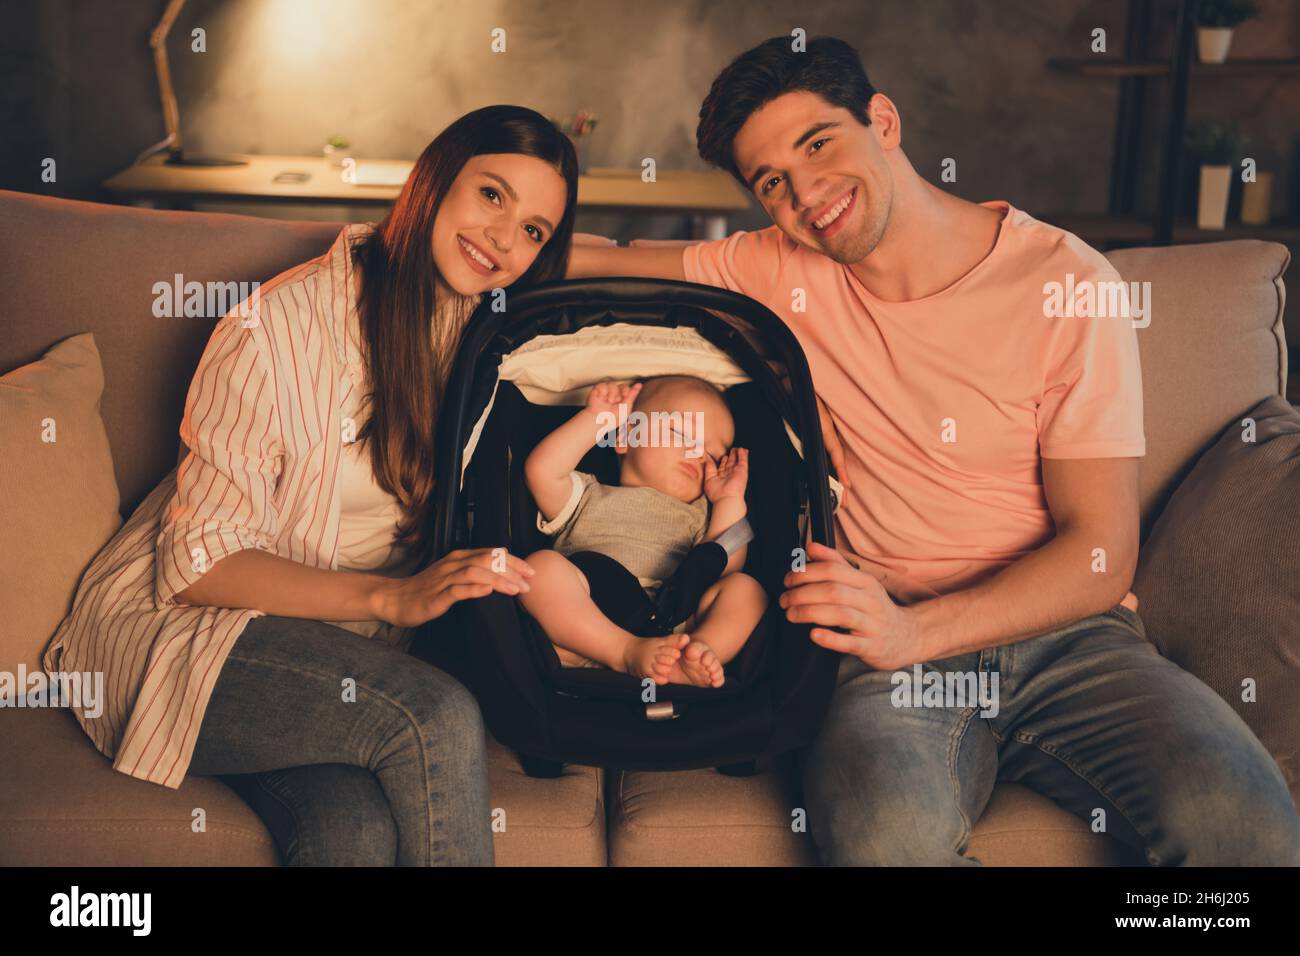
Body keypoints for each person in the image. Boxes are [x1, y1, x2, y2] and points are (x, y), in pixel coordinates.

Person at [568, 36, 1300, 865]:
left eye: (819, 144)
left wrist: (912, 634)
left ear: (883, 120)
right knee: (886, 841)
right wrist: (426, 233)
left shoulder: (1067, 283)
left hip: (1069, 638)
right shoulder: (780, 270)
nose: (807, 194)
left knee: (1246, 829)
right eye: (772, 181)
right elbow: (610, 260)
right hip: (880, 652)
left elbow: (1101, 552)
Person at [43, 104, 578, 866]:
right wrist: (392, 597)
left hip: (334, 656)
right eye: (491, 195)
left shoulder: (485, 334)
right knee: (436, 717)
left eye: (533, 230)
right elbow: (198, 566)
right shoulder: (278, 327)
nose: (503, 237)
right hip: (191, 630)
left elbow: (619, 311)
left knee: (350, 834)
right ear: (433, 183)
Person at [520, 376, 765, 687]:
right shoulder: (588, 495)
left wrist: (729, 500)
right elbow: (542, 471)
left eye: (713, 456)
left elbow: (723, 566)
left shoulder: (699, 514)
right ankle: (622, 650)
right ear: (628, 435)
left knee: (745, 589)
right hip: (589, 626)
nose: (698, 455)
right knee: (539, 569)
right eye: (681, 434)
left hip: (674, 627)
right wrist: (596, 420)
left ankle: (697, 655)